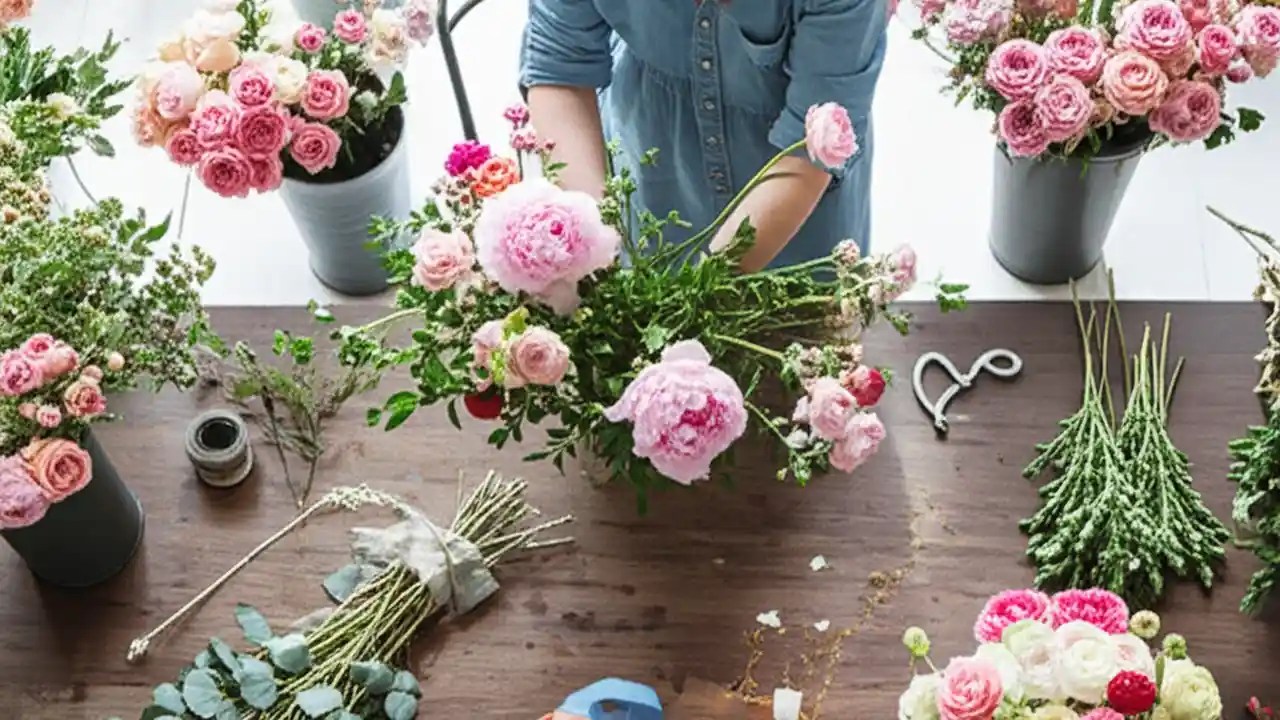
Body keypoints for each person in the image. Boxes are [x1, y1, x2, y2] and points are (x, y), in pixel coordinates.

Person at [520, 0, 887, 272]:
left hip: (798, 221)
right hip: (651, 182)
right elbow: (560, 69)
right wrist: (593, 251)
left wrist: (695, 301)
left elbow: (808, 154)